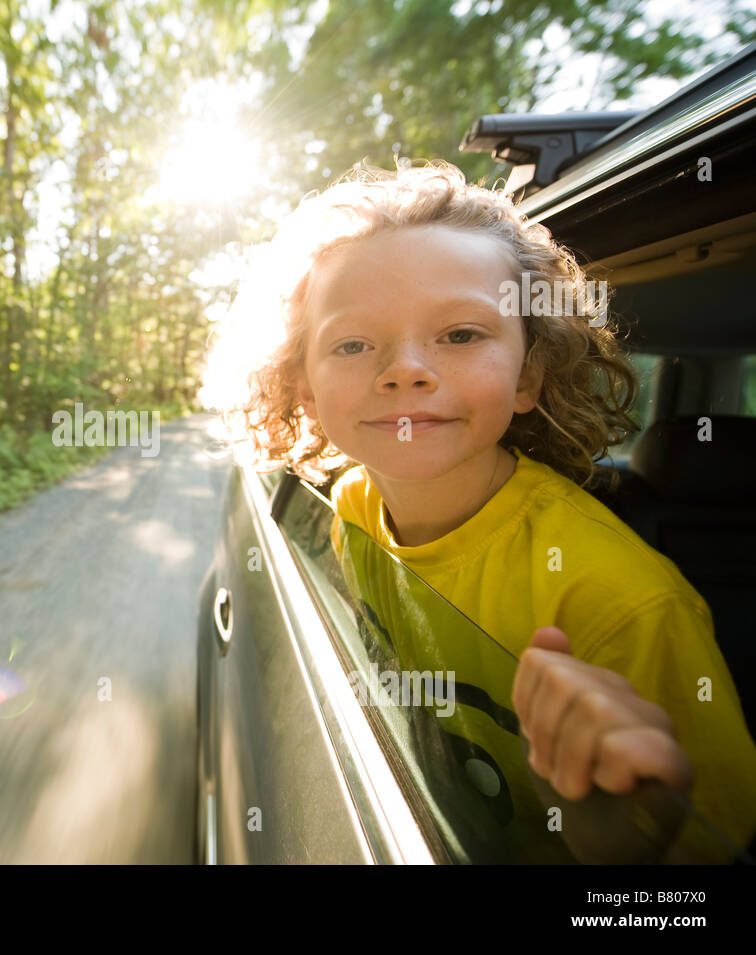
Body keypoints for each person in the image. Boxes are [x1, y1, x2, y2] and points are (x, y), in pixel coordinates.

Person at [202, 159, 756, 859]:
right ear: (305, 388)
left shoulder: (625, 603)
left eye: (460, 334)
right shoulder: (351, 505)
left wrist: (624, 847)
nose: (406, 369)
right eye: (352, 343)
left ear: (528, 373)